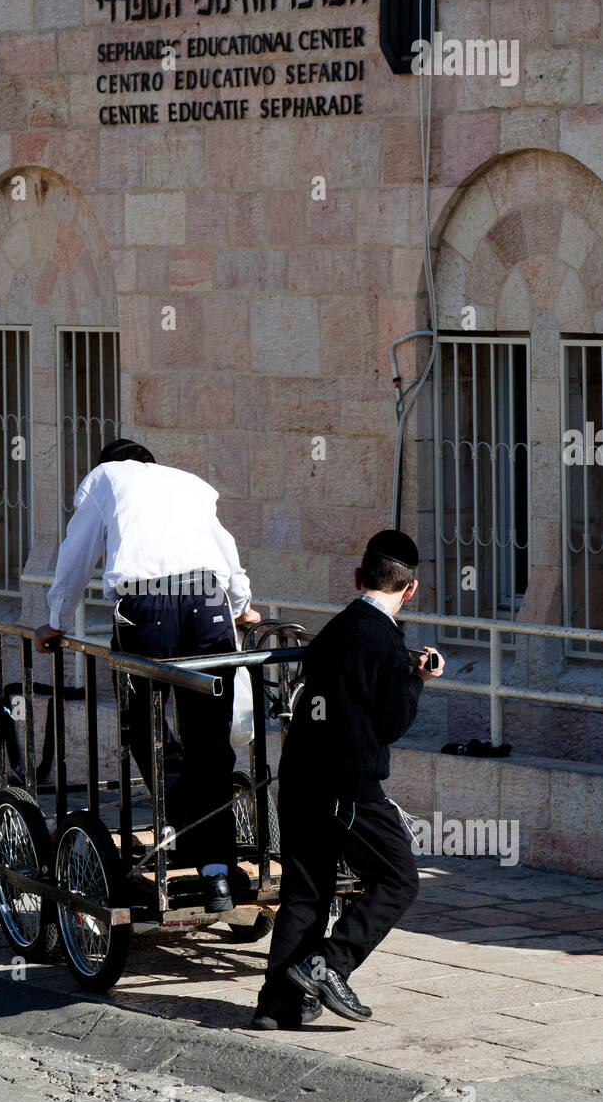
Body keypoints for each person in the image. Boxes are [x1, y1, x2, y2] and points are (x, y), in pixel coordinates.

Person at [34, 437, 261, 912]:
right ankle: (218, 870)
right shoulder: (188, 483)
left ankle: (190, 830)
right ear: (150, 464)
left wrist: (56, 620)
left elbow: (77, 552)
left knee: (144, 726)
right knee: (210, 739)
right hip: (208, 605)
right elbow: (227, 551)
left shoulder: (105, 478)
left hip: (147, 609)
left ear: (111, 465)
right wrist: (240, 609)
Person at [252, 529, 445, 1031]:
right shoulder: (382, 639)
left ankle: (276, 1007)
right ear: (411, 590)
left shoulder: (334, 629)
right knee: (399, 878)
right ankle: (330, 964)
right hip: (349, 784)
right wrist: (417, 681)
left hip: (299, 777)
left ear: (357, 577)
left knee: (306, 890)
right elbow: (391, 724)